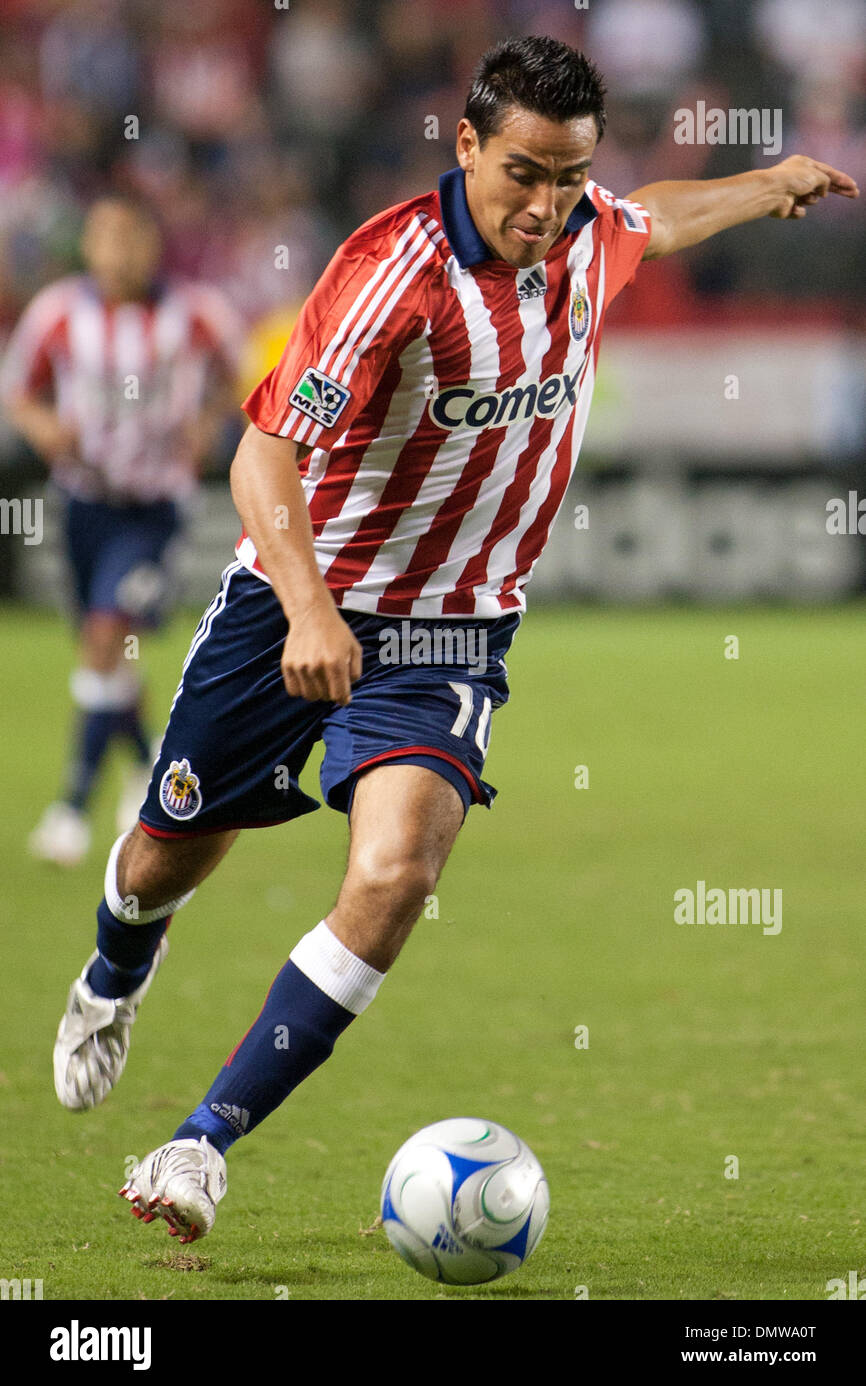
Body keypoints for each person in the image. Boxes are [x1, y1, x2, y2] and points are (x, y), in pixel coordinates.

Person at [51, 36, 857, 1243]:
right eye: (522, 173)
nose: (545, 206)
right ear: (466, 143)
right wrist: (315, 610)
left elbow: (653, 218)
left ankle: (200, 1141)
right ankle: (116, 965)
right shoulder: (392, 275)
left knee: (395, 874)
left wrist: (766, 182)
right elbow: (262, 452)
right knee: (167, 854)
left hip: (452, 634)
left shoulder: (585, 227)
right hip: (297, 601)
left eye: (569, 177)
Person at [1, 194, 242, 866]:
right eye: (107, 237)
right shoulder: (57, 314)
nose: (120, 252)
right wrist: (45, 426)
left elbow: (242, 377)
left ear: (152, 244)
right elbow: (21, 390)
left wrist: (208, 424)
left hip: (153, 509)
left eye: (132, 238)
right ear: (89, 246)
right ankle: (146, 761)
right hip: (85, 505)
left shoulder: (195, 313)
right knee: (103, 648)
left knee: (108, 634)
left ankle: (71, 808)